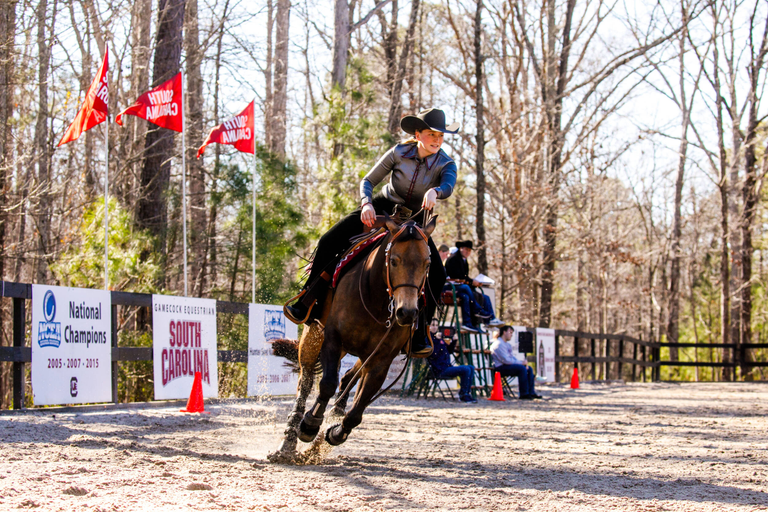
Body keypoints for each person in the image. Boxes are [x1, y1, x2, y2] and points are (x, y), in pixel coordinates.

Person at [284, 108, 461, 357]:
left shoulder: (446, 163)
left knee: (439, 274)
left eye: (441, 136)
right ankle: (307, 302)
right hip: (382, 208)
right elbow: (368, 180)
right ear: (418, 134)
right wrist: (366, 203)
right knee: (328, 241)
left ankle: (420, 331)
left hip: (416, 220)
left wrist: (437, 192)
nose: (437, 140)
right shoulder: (399, 152)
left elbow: (449, 185)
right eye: (432, 134)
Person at [443, 240, 503, 333]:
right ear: (461, 248)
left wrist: (474, 283)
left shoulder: (464, 261)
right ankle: (477, 309)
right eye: (466, 249)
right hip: (451, 286)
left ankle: (489, 320)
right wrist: (471, 282)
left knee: (483, 297)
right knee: (466, 289)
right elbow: (457, 276)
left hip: (461, 286)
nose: (467, 252)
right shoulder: (453, 259)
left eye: (469, 250)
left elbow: (465, 277)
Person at [426, 320, 477, 403]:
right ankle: (463, 395)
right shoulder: (429, 339)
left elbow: (449, 350)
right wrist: (437, 341)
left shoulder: (439, 338)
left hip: (447, 367)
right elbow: (433, 354)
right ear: (429, 327)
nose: (435, 327)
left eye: (436, 325)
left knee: (471, 367)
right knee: (466, 369)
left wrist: (454, 341)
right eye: (432, 325)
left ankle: (467, 393)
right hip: (439, 370)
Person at [490, 325, 542, 399]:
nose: (511, 335)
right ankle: (524, 394)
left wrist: (522, 363)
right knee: (521, 369)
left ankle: (531, 392)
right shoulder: (499, 344)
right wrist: (521, 364)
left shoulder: (507, 344)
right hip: (500, 367)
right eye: (510, 332)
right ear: (504, 332)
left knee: (529, 369)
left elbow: (512, 358)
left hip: (507, 366)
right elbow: (506, 360)